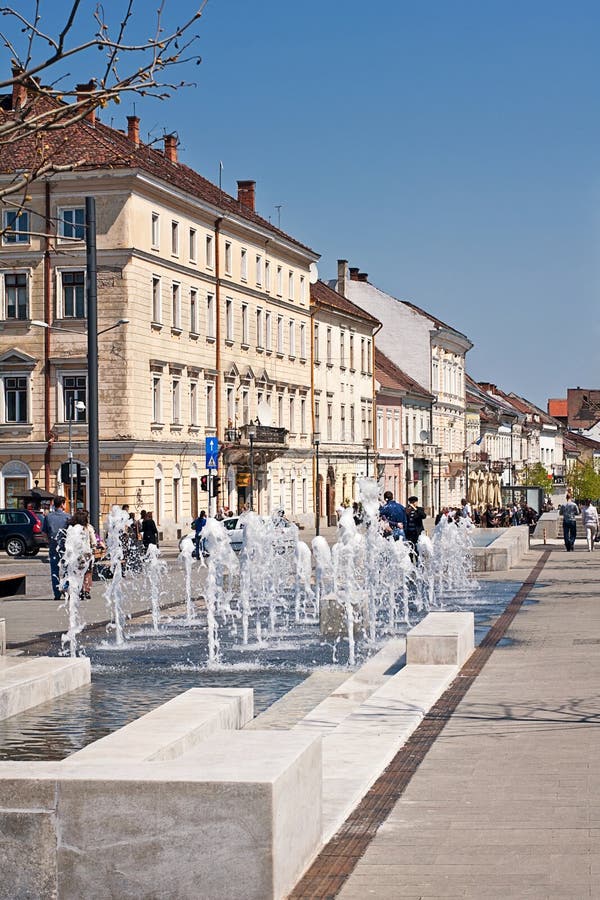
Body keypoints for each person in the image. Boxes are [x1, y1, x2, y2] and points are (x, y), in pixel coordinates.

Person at [42, 495, 70, 600]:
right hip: (66, 548)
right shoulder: (68, 517)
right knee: (67, 570)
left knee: (54, 570)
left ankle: (56, 594)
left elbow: (44, 532)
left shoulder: (48, 517)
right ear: (62, 504)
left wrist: (49, 541)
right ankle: (65, 588)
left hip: (53, 547)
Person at [66, 509, 97, 600]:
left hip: (76, 554)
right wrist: (94, 548)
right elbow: (94, 541)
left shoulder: (73, 528)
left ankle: (79, 590)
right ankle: (86, 591)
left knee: (78, 572)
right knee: (88, 572)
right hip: (87, 553)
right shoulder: (88, 527)